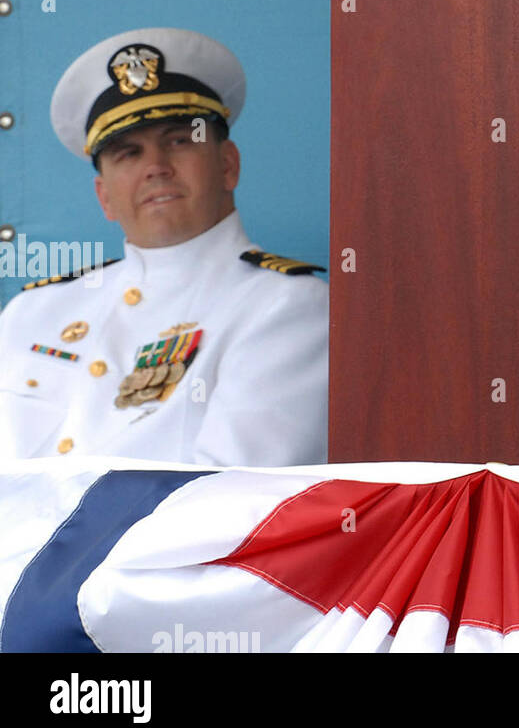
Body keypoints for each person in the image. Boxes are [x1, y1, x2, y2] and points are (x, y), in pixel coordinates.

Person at [0, 28, 329, 466]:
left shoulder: (289, 307)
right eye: (128, 153)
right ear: (104, 197)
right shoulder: (32, 312)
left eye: (179, 141)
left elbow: (232, 502)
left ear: (228, 165)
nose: (155, 167)